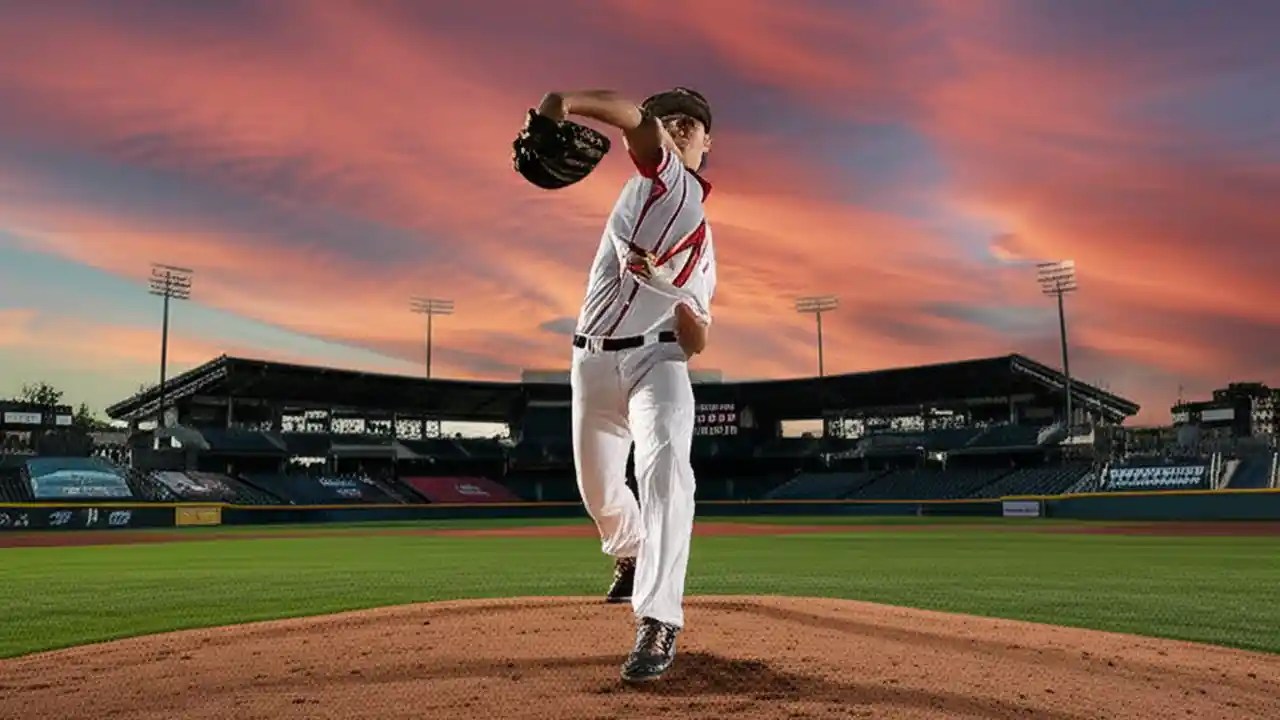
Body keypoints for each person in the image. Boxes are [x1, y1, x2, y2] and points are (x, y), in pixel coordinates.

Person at [534, 86, 716, 681]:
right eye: (671, 120)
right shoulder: (649, 185)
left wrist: (683, 308)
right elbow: (636, 123)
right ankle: (631, 552)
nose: (679, 127)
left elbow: (697, 344)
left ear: (707, 142)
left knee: (666, 468)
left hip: (656, 363)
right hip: (591, 360)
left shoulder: (690, 206)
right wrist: (564, 102)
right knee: (599, 491)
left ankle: (658, 619)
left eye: (692, 122)